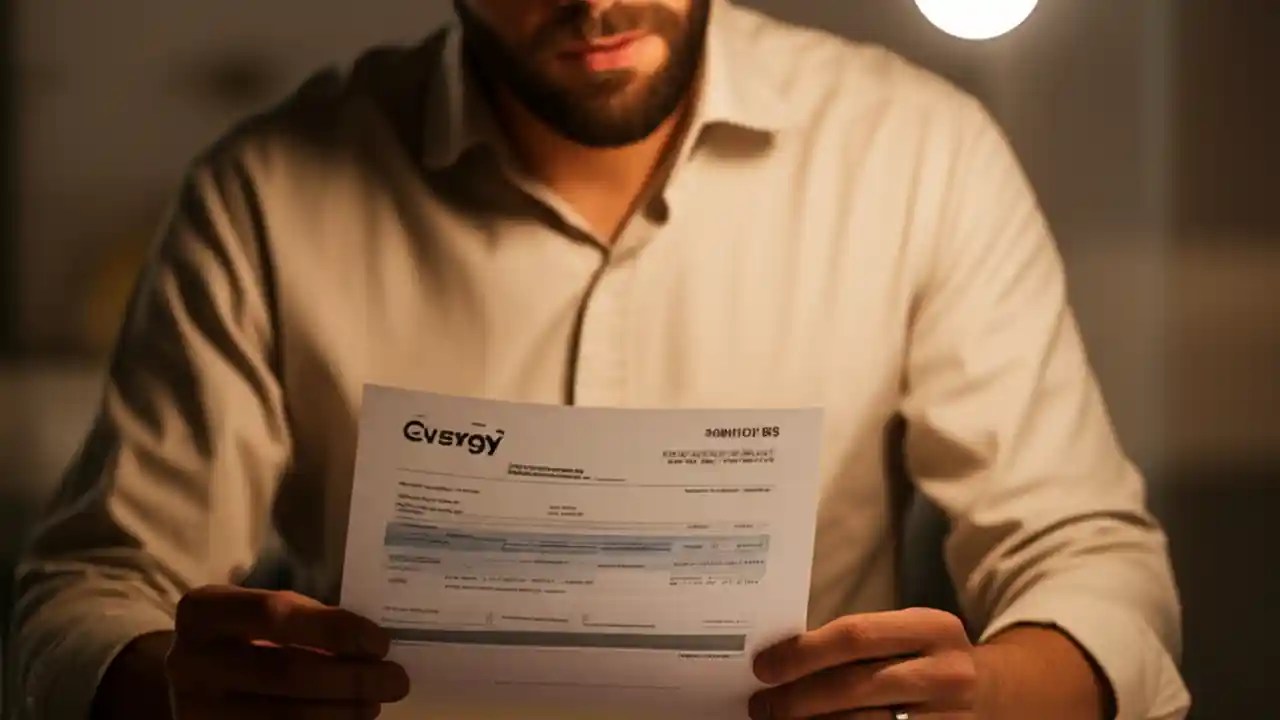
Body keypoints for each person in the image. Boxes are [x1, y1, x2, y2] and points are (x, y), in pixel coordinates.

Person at [7, 1, 1190, 718]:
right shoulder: (262, 192)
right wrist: (166, 688)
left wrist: (990, 696)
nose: (597, 0)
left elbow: (1083, 550)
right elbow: (80, 596)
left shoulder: (919, 152)